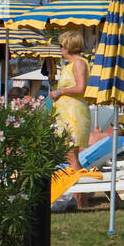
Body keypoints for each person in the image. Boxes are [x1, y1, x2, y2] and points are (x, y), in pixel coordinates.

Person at [50, 31, 92, 176]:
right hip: (67, 114)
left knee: (70, 153)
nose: (60, 49)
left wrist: (60, 91)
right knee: (69, 154)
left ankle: (80, 193)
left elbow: (81, 87)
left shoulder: (79, 63)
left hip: (74, 114)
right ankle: (79, 194)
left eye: (61, 46)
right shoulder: (71, 65)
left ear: (69, 47)